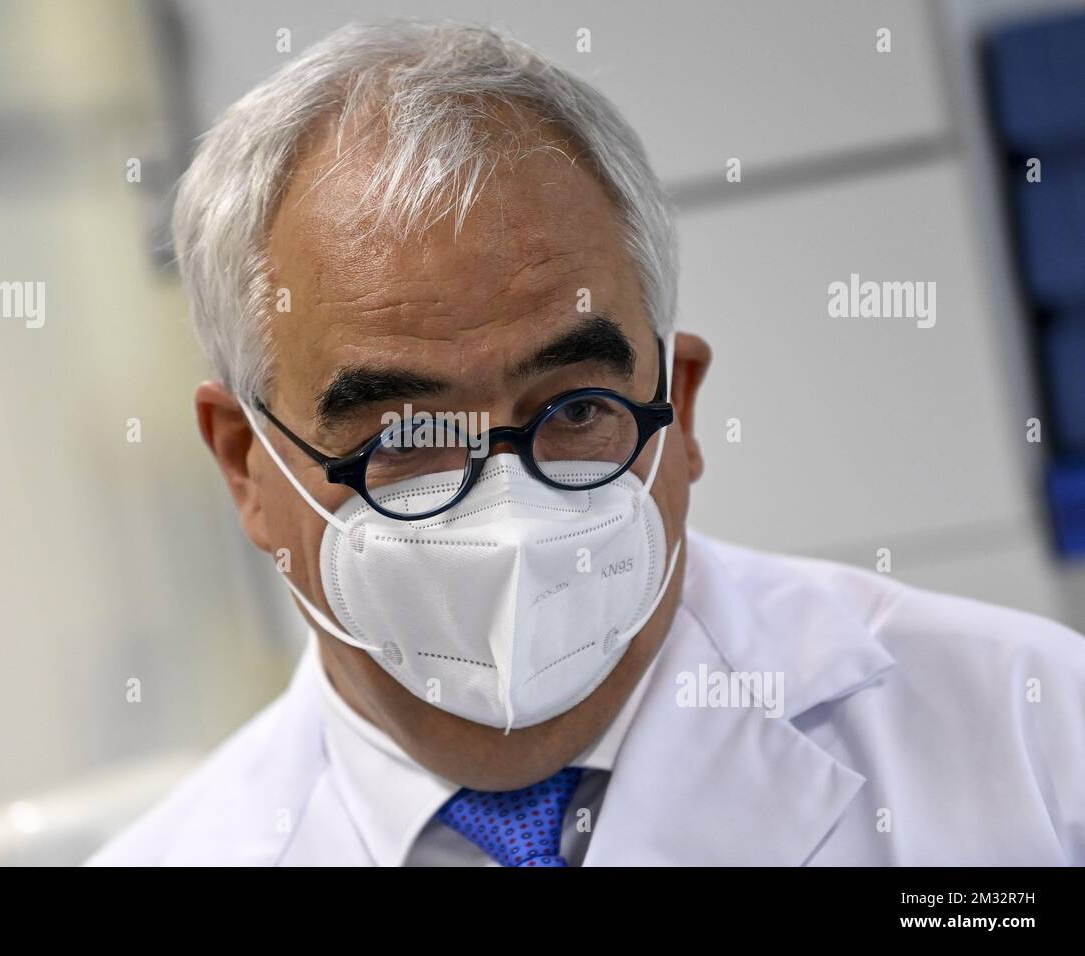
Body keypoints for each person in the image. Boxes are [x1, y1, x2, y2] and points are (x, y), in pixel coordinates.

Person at [88, 18, 1085, 866]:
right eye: (406, 434)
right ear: (244, 465)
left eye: (572, 411)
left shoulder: (1028, 734)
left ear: (679, 409)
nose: (509, 525)